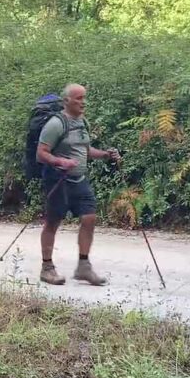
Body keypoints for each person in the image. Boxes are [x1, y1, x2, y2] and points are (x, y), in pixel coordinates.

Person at [35, 83, 120, 285]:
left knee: (89, 218)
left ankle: (83, 267)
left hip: (79, 179)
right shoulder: (56, 124)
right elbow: (41, 153)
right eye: (79, 98)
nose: (83, 102)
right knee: (53, 222)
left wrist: (106, 155)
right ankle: (47, 268)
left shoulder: (82, 123)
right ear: (66, 101)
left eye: (84, 98)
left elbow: (86, 151)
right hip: (58, 180)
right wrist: (60, 161)